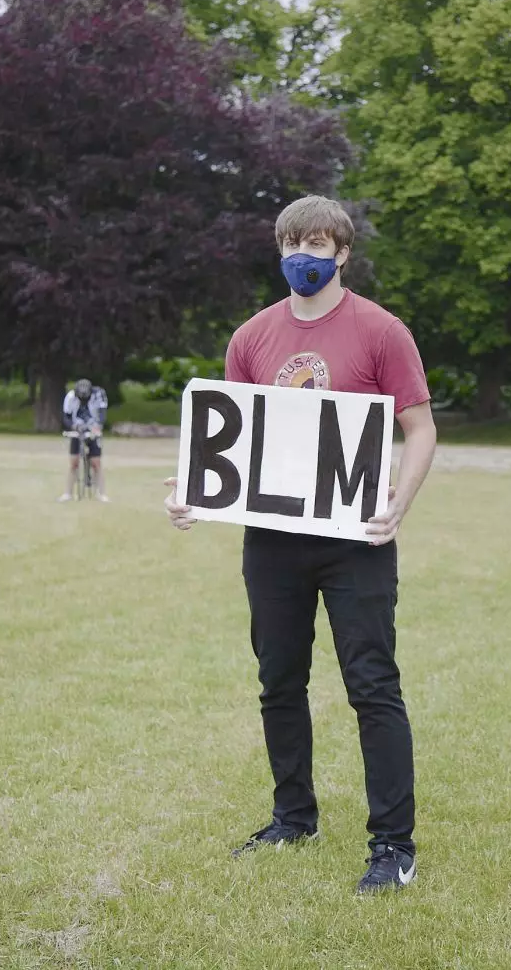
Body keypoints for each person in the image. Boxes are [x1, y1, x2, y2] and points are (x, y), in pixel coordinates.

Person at [164, 195, 437, 894]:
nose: (303, 256)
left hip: (356, 541)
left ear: (343, 252)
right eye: (292, 243)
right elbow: (235, 439)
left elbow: (420, 428)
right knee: (278, 680)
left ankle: (393, 845)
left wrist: (398, 504)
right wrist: (193, 490)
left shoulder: (382, 331)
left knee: (372, 684)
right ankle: (293, 816)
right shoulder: (252, 337)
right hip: (274, 542)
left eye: (317, 243)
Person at [58, 378, 110, 502]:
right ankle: (68, 493)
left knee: (96, 463)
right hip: (78, 428)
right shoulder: (70, 397)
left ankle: (101, 493)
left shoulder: (99, 395)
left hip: (93, 427)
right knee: (73, 463)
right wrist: (73, 426)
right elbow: (66, 416)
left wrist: (97, 426)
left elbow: (102, 414)